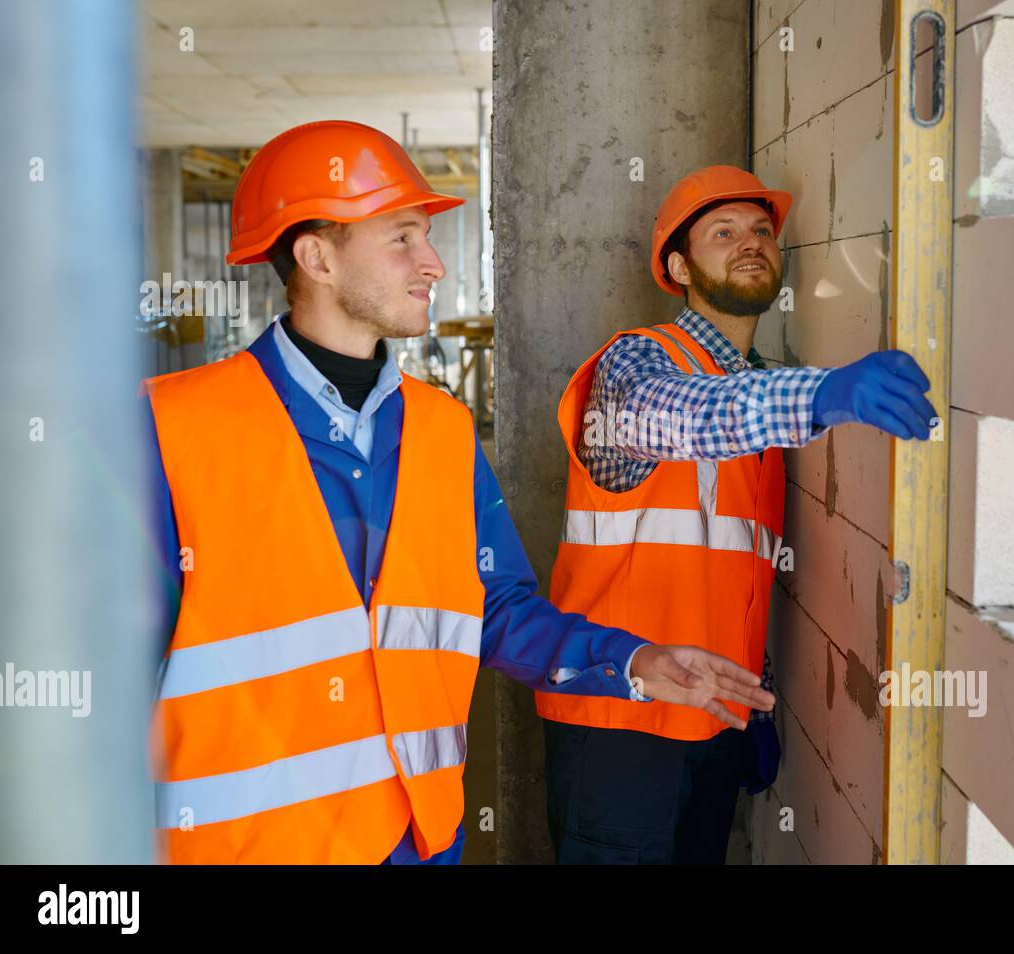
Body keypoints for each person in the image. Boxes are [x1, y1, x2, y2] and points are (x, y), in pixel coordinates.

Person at [140, 124, 774, 864]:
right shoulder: (171, 426)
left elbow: (494, 610)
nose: (433, 262)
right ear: (316, 257)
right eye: (404, 238)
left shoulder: (441, 428)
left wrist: (631, 662)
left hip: (418, 843)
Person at [541, 165, 937, 864]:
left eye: (761, 230)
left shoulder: (754, 390)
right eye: (721, 232)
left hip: (714, 718)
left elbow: (733, 575)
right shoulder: (637, 362)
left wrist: (761, 694)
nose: (748, 241)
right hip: (619, 721)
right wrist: (820, 396)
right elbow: (666, 416)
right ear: (677, 265)